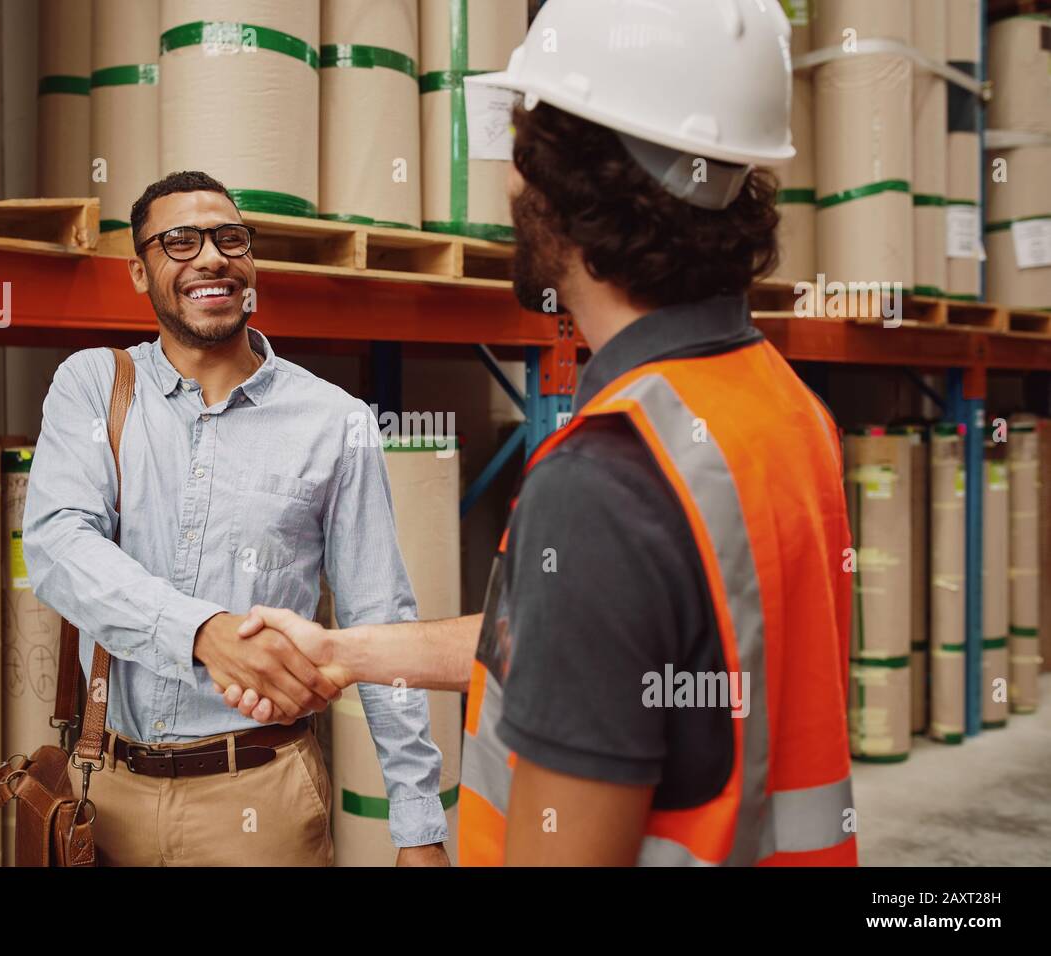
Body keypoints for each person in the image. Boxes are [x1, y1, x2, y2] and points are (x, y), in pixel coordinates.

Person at [219, 0, 858, 867]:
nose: (510, 184)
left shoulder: (609, 477)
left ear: (569, 181)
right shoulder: (781, 404)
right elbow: (594, 635)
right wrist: (342, 653)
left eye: (521, 152)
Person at [23, 170, 450, 866]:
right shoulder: (93, 386)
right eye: (179, 241)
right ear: (140, 271)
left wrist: (418, 826)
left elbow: (381, 622)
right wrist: (202, 633)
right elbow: (59, 546)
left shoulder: (333, 421)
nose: (211, 257)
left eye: (230, 239)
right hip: (106, 789)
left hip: (262, 801)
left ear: (250, 262)